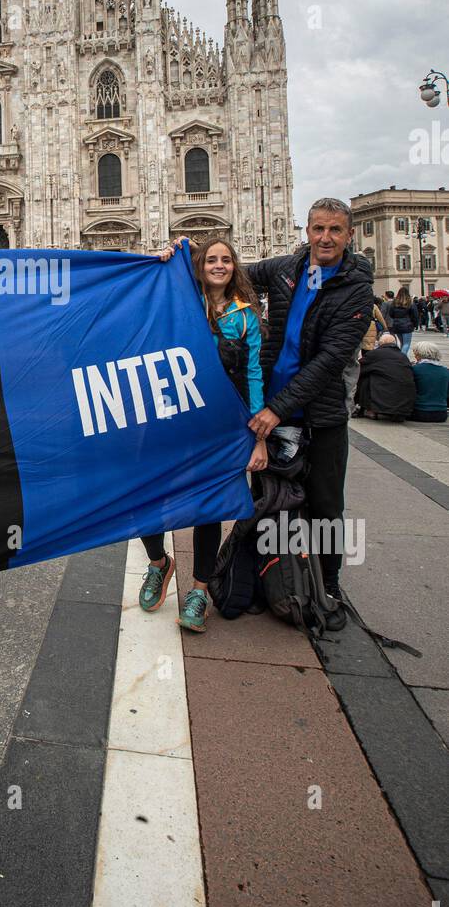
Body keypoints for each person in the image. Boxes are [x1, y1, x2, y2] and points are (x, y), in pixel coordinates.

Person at [241, 198, 375, 630]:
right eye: (318, 229)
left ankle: (329, 585)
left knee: (324, 506)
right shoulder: (286, 269)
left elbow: (330, 360)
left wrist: (275, 411)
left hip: (319, 417)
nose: (325, 238)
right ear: (307, 230)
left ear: (348, 235)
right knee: (269, 503)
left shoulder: (356, 287)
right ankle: (272, 583)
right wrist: (181, 257)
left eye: (335, 230)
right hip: (275, 413)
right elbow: (226, 272)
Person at [138, 237, 267, 634]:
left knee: (207, 507)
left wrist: (259, 434)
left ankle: (198, 590)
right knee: (144, 491)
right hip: (170, 416)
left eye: (226, 260)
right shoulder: (184, 303)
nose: (218, 265)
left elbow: (254, 373)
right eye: (210, 259)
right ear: (200, 266)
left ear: (234, 268)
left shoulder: (246, 317)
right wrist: (176, 249)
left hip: (219, 425)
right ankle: (159, 564)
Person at [355, 333, 416, 421]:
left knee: (366, 377)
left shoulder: (375, 354)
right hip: (404, 404)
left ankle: (369, 409)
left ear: (380, 343)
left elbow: (358, 368)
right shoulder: (403, 356)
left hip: (382, 403)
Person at [410, 343, 449, 422]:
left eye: (415, 354)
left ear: (419, 355)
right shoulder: (445, 371)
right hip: (441, 414)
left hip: (419, 411)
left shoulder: (415, 369)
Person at [384, 286, 417, 355]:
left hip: (397, 324)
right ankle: (402, 359)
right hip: (407, 324)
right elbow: (414, 315)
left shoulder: (394, 303)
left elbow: (391, 314)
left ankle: (402, 358)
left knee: (402, 343)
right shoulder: (410, 303)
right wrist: (415, 324)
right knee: (406, 344)